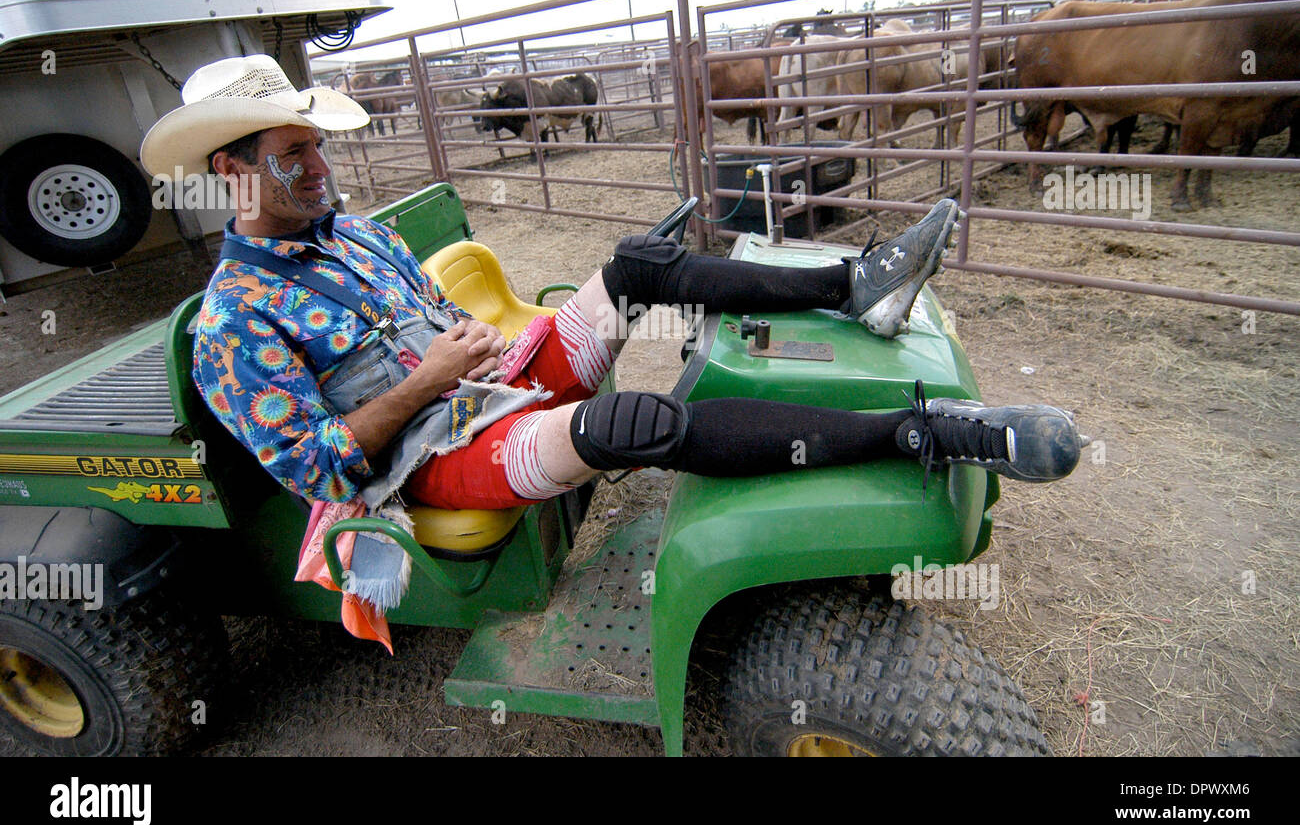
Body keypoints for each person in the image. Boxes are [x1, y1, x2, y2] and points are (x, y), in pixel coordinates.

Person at [140, 55, 1083, 515]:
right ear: (230, 172)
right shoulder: (233, 321)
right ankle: (923, 431)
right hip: (438, 454)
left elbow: (436, 322)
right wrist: (428, 382)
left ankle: (855, 284)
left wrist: (481, 349)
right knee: (631, 425)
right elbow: (314, 468)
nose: (319, 167)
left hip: (496, 378)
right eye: (292, 153)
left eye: (315, 146)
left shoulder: (352, 234)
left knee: (636, 264)